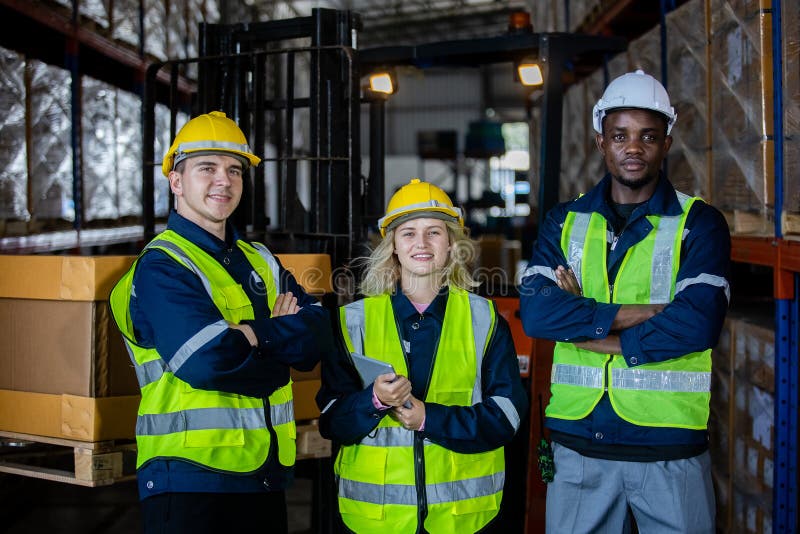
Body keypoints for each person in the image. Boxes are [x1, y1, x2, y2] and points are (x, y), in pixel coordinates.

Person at [519, 69, 731, 533]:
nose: (633, 148)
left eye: (647, 136)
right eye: (620, 135)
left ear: (666, 143)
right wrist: (645, 313)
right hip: (579, 445)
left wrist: (594, 336)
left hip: (669, 447)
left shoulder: (700, 224)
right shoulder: (563, 222)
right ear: (601, 142)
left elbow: (697, 324)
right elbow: (536, 313)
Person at [109, 111, 332, 533]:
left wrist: (248, 336)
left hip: (264, 474)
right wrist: (275, 340)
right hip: (190, 479)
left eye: (234, 170)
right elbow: (208, 362)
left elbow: (317, 336)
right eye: (207, 168)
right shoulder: (162, 266)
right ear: (176, 181)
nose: (224, 181)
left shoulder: (259, 259)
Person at [317, 178, 528, 534]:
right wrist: (374, 400)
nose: (422, 244)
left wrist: (430, 418)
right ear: (394, 247)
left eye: (434, 232)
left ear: (451, 245)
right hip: (375, 520)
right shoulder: (352, 322)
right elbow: (331, 421)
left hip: (464, 519)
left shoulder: (485, 320)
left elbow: (506, 418)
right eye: (409, 233)